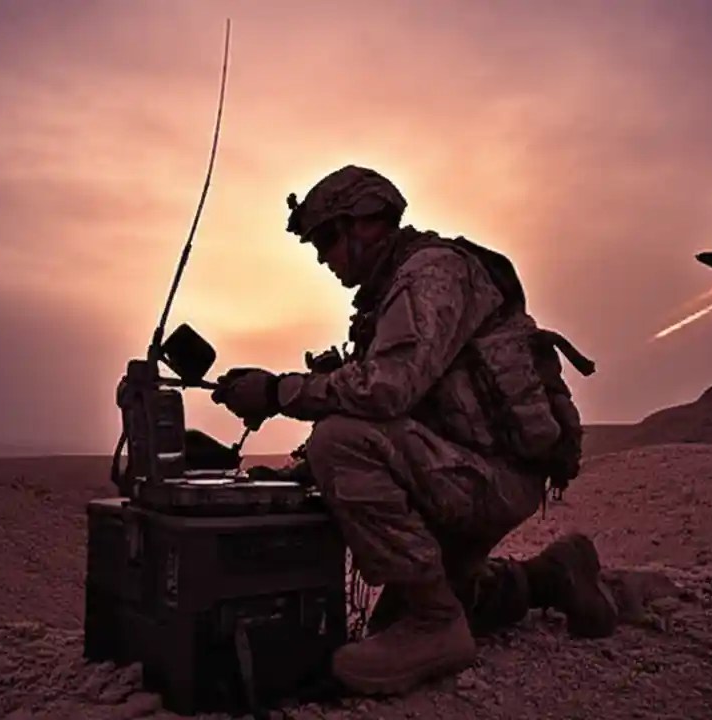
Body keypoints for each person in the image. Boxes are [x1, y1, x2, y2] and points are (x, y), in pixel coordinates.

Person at [212, 165, 617, 696]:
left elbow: (386, 390)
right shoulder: (391, 295)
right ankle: (549, 576)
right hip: (461, 470)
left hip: (487, 476)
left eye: (328, 239)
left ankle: (434, 622)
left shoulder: (433, 274)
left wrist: (277, 392)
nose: (323, 258)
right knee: (405, 616)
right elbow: (391, 406)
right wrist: (293, 473)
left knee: (339, 439)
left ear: (367, 222)